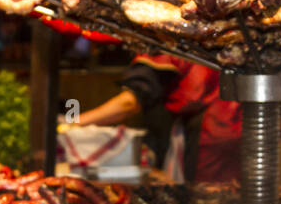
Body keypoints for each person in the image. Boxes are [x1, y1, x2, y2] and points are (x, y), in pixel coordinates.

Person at [73, 53, 242, 182]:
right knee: (229, 198)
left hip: (211, 131)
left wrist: (73, 122)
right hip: (237, 122)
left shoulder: (162, 52)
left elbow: (128, 103)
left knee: (205, 199)